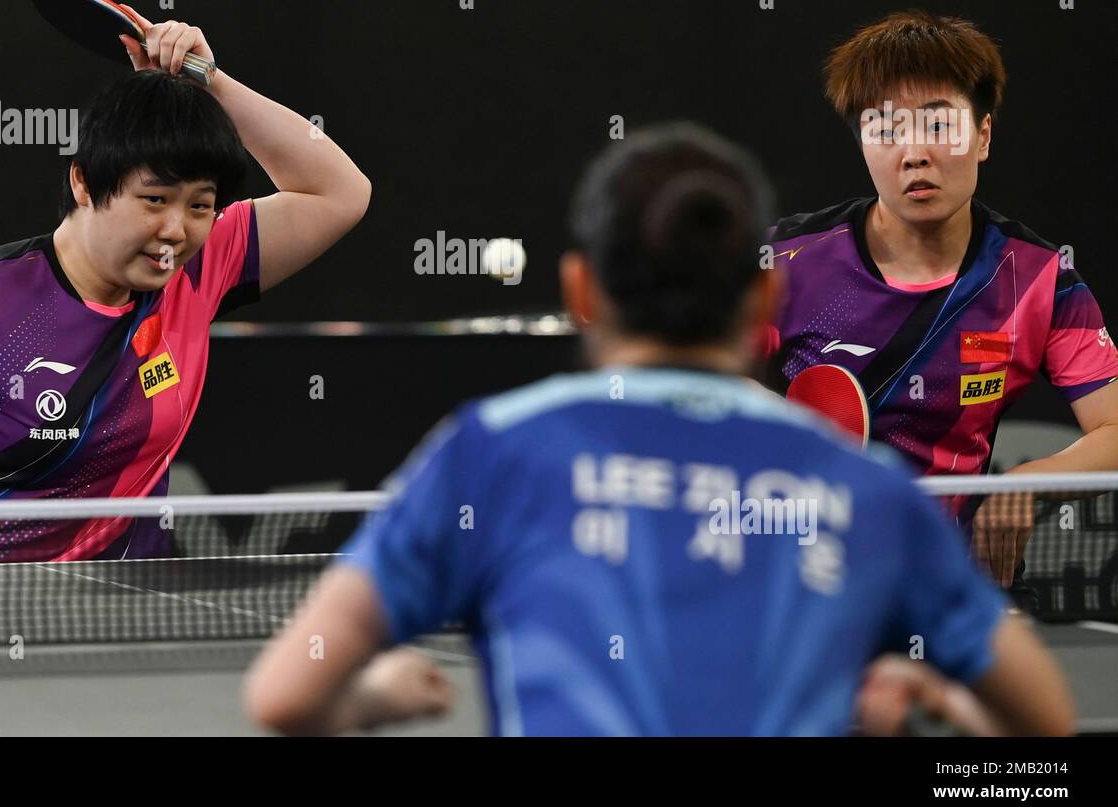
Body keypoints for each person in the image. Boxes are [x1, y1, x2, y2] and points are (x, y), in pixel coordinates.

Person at [245, 124, 1072, 736]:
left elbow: (284, 697)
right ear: (763, 304)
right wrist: (956, 716)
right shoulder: (868, 488)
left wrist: (374, 699)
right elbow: (1043, 735)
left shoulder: (488, 452)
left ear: (580, 293)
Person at [0, 9, 370, 564]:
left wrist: (210, 81)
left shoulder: (196, 272)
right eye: (154, 200)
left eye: (200, 205)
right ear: (83, 181)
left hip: (115, 623)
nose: (175, 231)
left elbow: (340, 192)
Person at [763, 11, 1118, 599]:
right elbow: (686, 377)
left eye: (939, 125)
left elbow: (1114, 427)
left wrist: (1024, 486)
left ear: (983, 136)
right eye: (885, 130)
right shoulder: (782, 262)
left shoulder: (1038, 278)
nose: (914, 154)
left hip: (955, 591)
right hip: (803, 587)